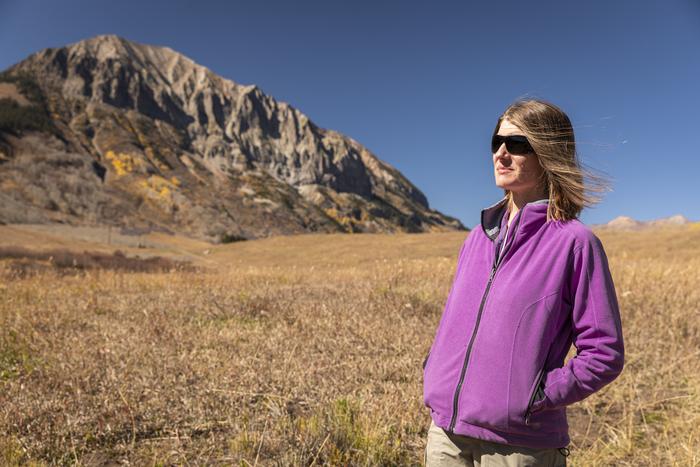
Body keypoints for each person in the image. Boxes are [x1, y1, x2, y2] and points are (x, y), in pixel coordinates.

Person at [422, 99, 625, 466]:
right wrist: (434, 368)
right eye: (496, 142)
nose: (501, 153)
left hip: (518, 447)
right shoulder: (477, 238)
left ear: (548, 153)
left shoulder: (575, 243)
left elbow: (604, 353)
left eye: (517, 144)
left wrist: (535, 395)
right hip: (446, 436)